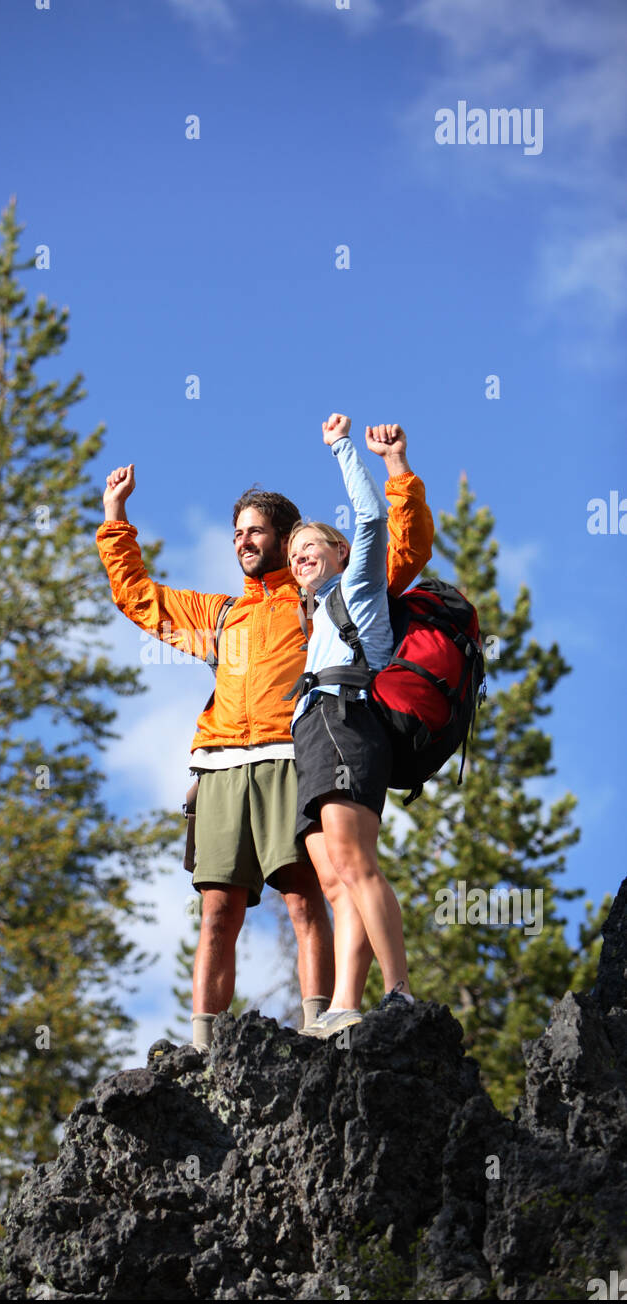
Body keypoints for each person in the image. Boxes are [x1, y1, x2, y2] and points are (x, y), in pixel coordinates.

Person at [97, 435, 431, 1050]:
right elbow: (140, 598)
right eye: (236, 536)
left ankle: (320, 1025)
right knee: (217, 912)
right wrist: (116, 518)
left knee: (307, 899)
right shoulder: (222, 615)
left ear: (283, 536)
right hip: (220, 764)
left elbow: (403, 550)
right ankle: (202, 1049)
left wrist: (397, 472)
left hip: (291, 756)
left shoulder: (319, 598)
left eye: (254, 532)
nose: (243, 543)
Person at [288, 414, 414, 1039]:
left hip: (347, 718)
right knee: (334, 878)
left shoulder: (358, 584)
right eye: (293, 554)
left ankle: (399, 992)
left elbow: (371, 520)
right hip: (313, 731)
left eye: (310, 545)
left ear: (337, 553)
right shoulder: (314, 620)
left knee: (354, 860)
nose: (300, 556)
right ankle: (344, 1005)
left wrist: (342, 448)